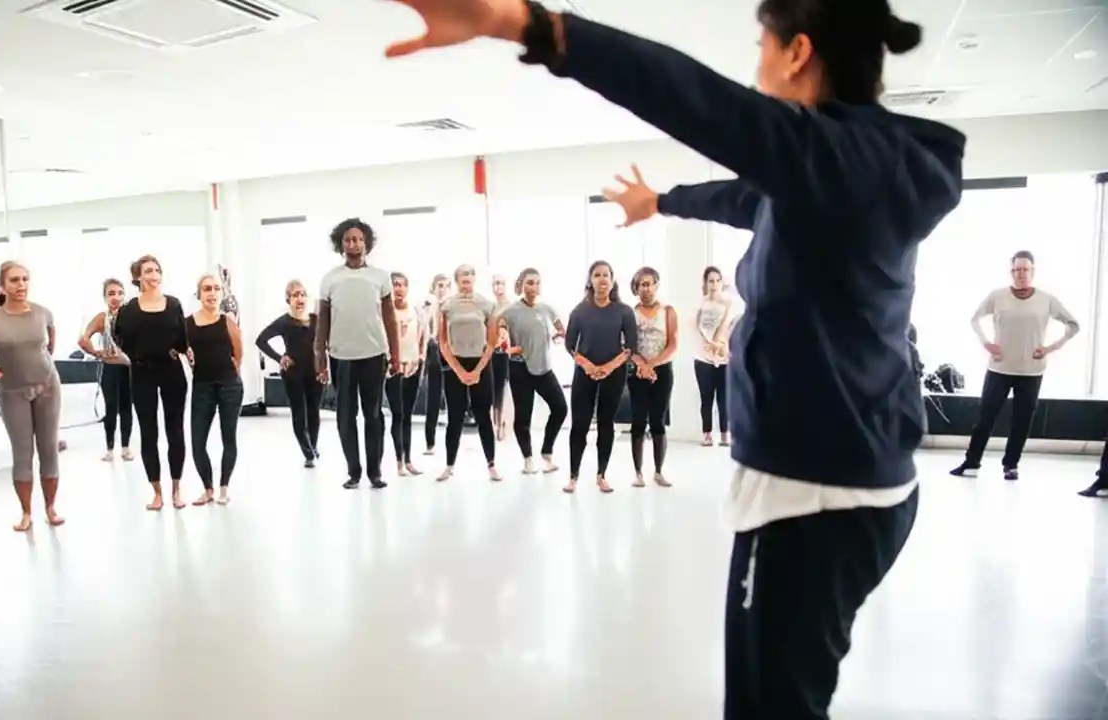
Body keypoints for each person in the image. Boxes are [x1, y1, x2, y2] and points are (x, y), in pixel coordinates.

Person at [381, 1, 966, 714]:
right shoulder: (845, 176)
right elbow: (746, 197)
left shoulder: (833, 161)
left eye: (762, 46)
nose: (756, 65)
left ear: (797, 53)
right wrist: (662, 202)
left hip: (813, 499)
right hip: (857, 477)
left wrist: (527, 24)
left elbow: (702, 103)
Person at [951, 250, 1079, 481]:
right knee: (985, 418)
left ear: (1032, 271)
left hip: (1031, 371)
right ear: (1011, 271)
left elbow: (1073, 325)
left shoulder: (1046, 299)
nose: (1020, 274)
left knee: (1021, 420)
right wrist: (986, 343)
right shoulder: (997, 296)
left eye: (1025, 269)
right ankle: (971, 462)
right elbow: (974, 319)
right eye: (1016, 269)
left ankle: (1011, 465)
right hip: (999, 368)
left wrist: (1050, 348)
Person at [0, 261, 62, 531]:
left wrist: (44, 359)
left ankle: (51, 508)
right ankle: (26, 512)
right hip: (12, 391)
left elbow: (51, 339)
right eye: (15, 280)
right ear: (2, 285)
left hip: (48, 386)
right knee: (22, 453)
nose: (21, 285)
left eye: (25, 279)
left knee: (49, 448)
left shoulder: (43, 312)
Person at [314, 218, 400, 489]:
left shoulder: (380, 277)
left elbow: (390, 319)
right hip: (341, 357)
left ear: (367, 243)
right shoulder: (330, 279)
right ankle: (354, 472)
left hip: (374, 355)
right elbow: (322, 323)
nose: (354, 243)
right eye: (348, 239)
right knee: (345, 416)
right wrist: (320, 358)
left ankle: (375, 472)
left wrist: (395, 353)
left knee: (373, 415)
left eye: (359, 239)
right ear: (341, 244)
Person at [113, 255, 191, 510]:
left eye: (157, 270)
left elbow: (182, 339)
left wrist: (179, 351)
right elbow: (120, 337)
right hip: (143, 373)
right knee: (148, 432)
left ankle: (176, 489)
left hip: (171, 372)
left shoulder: (174, 304)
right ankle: (157, 492)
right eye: (148, 270)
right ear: (138, 277)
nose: (154, 274)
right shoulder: (129, 309)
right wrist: (136, 356)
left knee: (175, 430)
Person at [564, 261, 636, 494]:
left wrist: (607, 367)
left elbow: (631, 347)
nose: (602, 279)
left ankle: (601, 475)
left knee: (606, 424)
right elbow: (570, 345)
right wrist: (588, 365)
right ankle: (573, 475)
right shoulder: (579, 311)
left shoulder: (624, 311)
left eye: (606, 275)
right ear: (590, 281)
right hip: (584, 374)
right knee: (579, 425)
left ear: (613, 280)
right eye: (597, 275)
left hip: (613, 374)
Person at [435, 264, 502, 482]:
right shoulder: (447, 306)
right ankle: (449, 465)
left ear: (474, 279)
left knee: (483, 415)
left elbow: (492, 341)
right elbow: (442, 342)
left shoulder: (486, 304)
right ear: (456, 279)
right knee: (455, 416)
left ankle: (491, 465)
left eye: (470, 274)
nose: (467, 277)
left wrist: (478, 369)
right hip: (455, 364)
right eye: (463, 274)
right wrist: (459, 371)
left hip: (480, 362)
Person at [498, 268, 567, 475]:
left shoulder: (547, 309)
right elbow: (500, 329)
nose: (534, 287)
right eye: (529, 282)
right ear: (520, 285)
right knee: (523, 416)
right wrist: (506, 344)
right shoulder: (510, 311)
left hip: (543, 367)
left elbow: (561, 328)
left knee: (561, 408)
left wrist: (558, 335)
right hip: (520, 368)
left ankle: (547, 452)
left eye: (537, 282)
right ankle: (528, 459)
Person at [187, 274, 243, 506]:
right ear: (199, 294)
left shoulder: (227, 320)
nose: (211, 293)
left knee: (228, 438)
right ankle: (207, 488)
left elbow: (238, 354)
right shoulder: (187, 323)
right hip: (202, 386)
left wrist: (232, 375)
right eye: (207, 289)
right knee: (197, 441)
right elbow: (182, 349)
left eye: (216, 289)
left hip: (229, 386)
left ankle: (224, 487)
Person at [256, 280, 322, 467]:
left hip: (314, 371)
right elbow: (261, 340)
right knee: (299, 413)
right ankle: (308, 453)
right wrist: (279, 358)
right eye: (295, 295)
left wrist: (324, 366)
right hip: (293, 373)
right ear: (288, 299)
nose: (300, 298)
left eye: (302, 294)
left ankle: (313, 446)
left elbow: (325, 343)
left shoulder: (316, 320)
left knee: (313, 412)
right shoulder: (284, 322)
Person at [628, 266, 679, 487]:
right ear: (636, 288)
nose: (645, 289)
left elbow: (673, 344)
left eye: (649, 284)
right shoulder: (630, 313)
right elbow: (627, 346)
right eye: (641, 285)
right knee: (638, 420)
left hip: (662, 372)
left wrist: (652, 365)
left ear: (656, 285)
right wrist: (641, 364)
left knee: (658, 420)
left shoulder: (668, 311)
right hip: (637, 371)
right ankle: (638, 473)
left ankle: (658, 471)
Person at [77, 278, 135, 462]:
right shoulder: (102, 318)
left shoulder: (131, 316)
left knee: (126, 408)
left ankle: (125, 448)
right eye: (111, 293)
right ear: (105, 297)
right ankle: (110, 449)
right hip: (110, 369)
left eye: (119, 293)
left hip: (129, 369)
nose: (116, 297)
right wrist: (96, 352)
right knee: (111, 408)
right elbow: (82, 339)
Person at [385, 272, 426, 477]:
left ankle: (408, 459)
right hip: (392, 369)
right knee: (398, 414)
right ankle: (398, 460)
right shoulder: (385, 312)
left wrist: (420, 357)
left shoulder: (416, 311)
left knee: (408, 415)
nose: (398, 288)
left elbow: (423, 335)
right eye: (395, 285)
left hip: (412, 366)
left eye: (402, 285)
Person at [695, 266, 733, 447]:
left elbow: (728, 326)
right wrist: (709, 343)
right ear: (705, 283)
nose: (714, 284)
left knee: (724, 398)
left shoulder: (728, 303)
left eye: (717, 280)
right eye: (711, 280)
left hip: (724, 355)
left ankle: (725, 434)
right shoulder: (700, 303)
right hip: (703, 357)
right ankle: (707, 434)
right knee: (706, 397)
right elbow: (697, 327)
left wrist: (719, 344)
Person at [421, 273, 451, 455]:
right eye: (439, 285)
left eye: (445, 285)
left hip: (450, 349)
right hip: (433, 349)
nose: (442, 289)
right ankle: (430, 443)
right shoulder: (428, 307)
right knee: (432, 397)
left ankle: (451, 443)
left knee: (452, 397)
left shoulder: (452, 306)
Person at [489, 273, 512, 441]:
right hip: (492, 352)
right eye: (496, 284)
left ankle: (504, 422)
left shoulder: (511, 307)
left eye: (501, 283)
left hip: (507, 352)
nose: (498, 287)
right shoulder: (490, 307)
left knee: (504, 388)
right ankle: (495, 422)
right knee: (494, 389)